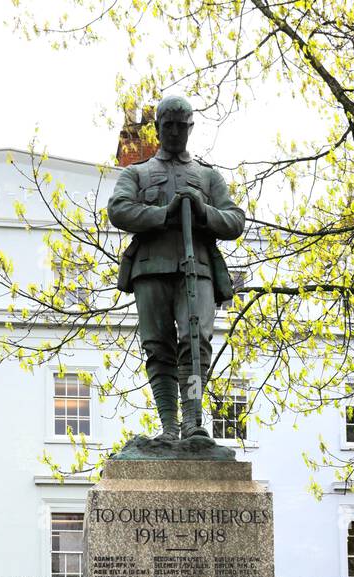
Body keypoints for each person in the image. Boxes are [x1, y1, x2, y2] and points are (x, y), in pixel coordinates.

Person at [107, 95, 246, 443]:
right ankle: (169, 426)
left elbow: (234, 220)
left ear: (190, 128)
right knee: (157, 346)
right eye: (167, 125)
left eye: (180, 126)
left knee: (196, 342)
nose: (173, 132)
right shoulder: (137, 174)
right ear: (157, 128)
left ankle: (193, 422)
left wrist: (203, 211)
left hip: (196, 270)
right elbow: (119, 210)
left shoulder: (207, 177)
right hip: (150, 269)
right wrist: (163, 213)